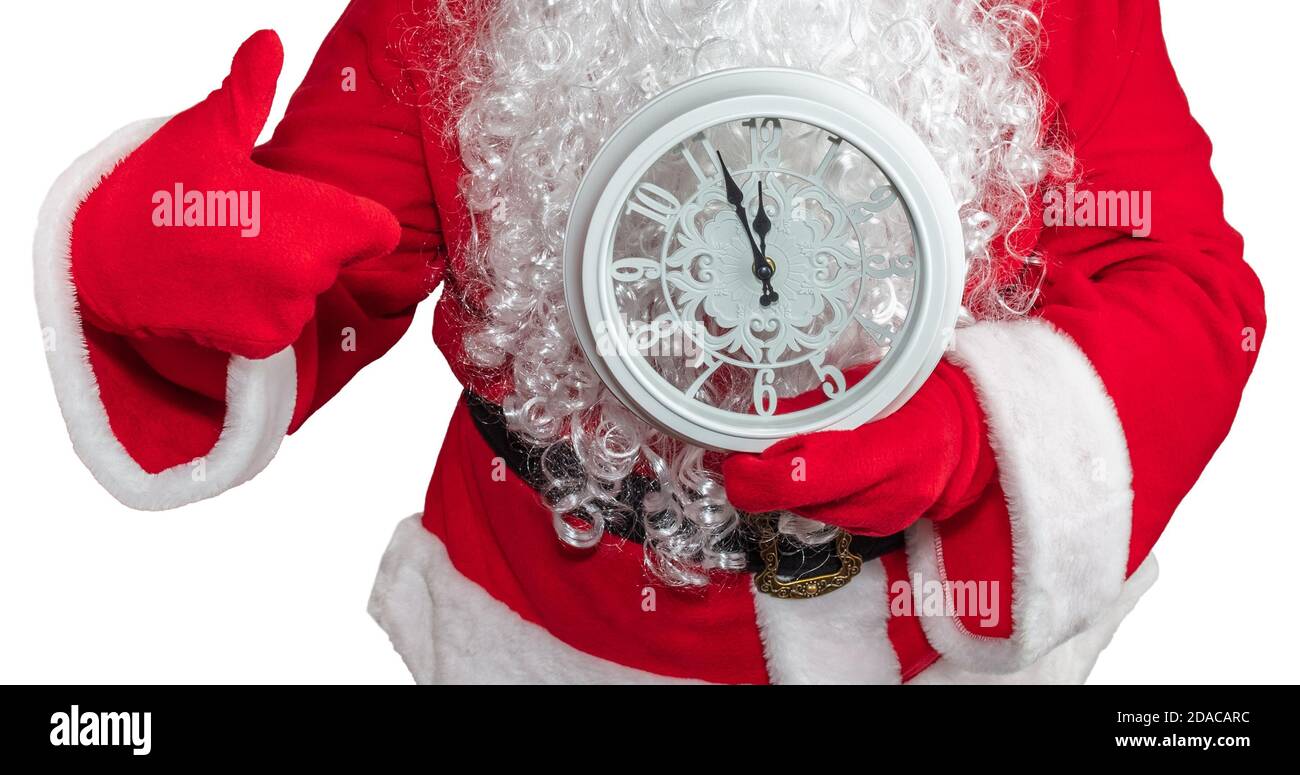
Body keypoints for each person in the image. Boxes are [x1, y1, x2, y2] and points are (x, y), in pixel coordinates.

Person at [35, 0, 1265, 683]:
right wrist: (170, 268)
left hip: (928, 649)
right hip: (557, 640)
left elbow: (1181, 279)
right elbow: (307, 277)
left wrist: (975, 435)